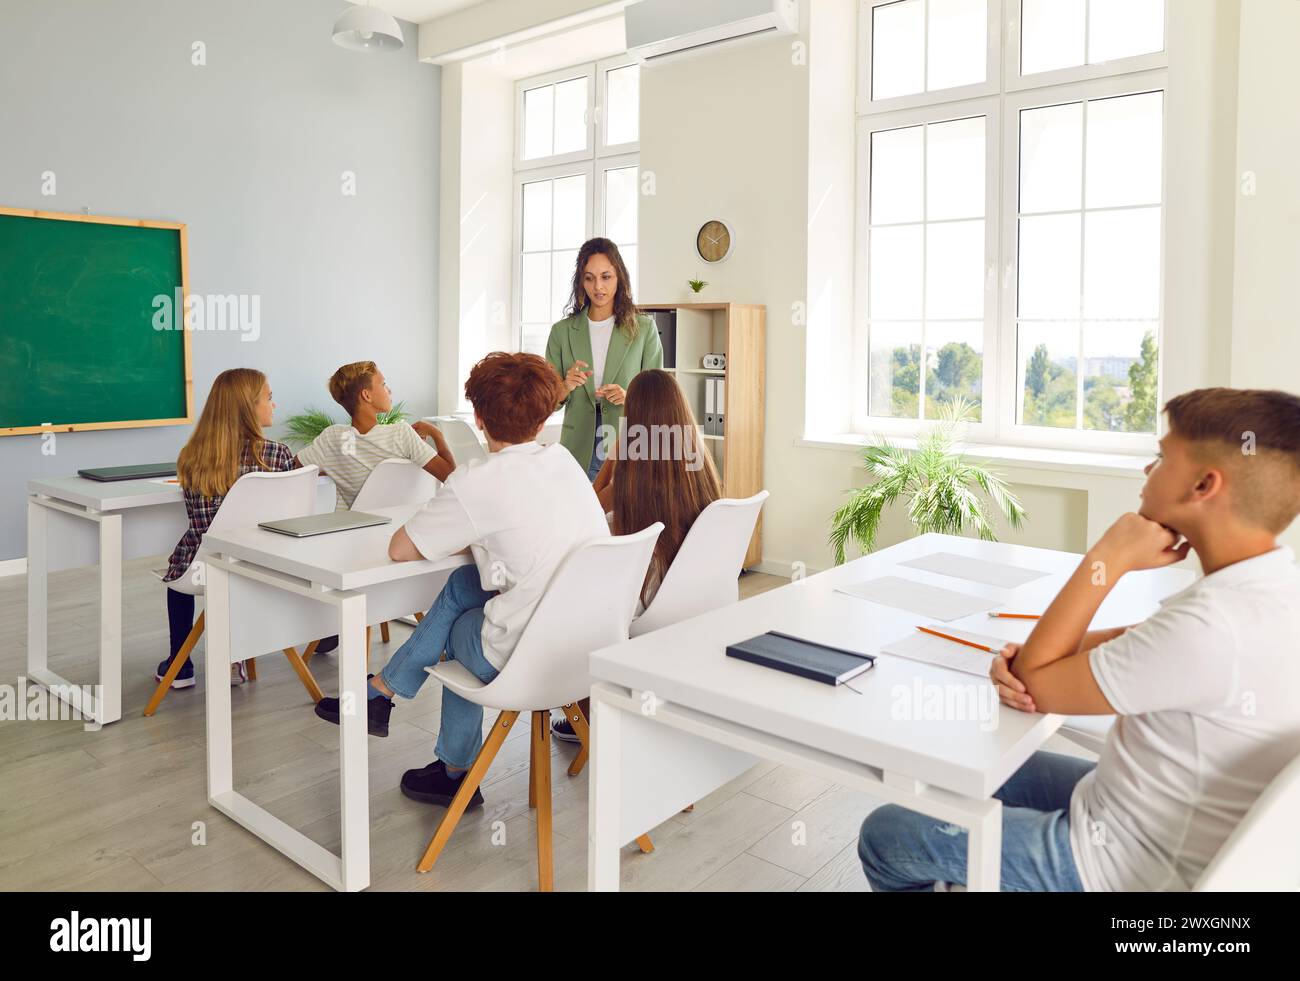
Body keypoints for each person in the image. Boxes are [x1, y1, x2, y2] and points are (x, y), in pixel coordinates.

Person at [858, 387, 1300, 892]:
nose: (1145, 472)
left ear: (1203, 484)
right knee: (956, 771)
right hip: (1142, 812)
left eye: (1160, 459)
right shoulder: (1268, 590)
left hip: (1121, 865)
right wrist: (1042, 659)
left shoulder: (1210, 627)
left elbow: (1033, 685)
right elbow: (1121, 642)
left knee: (886, 836)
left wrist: (1107, 558)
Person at [313, 352, 610, 809]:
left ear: (477, 417)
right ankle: (380, 693)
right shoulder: (565, 461)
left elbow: (399, 549)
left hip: (529, 658)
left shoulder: (479, 479)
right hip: (587, 647)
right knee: (464, 586)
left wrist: (464, 530)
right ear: (543, 414)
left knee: (457, 626)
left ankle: (452, 769)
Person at [553, 368, 722, 742]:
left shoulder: (634, 474)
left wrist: (613, 460)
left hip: (646, 606)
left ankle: (586, 712)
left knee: (571, 605)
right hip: (692, 599)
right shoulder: (699, 463)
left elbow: (590, 509)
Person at [158, 368, 297, 689]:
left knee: (180, 568)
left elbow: (199, 519)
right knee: (237, 565)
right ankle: (234, 655)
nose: (274, 405)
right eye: (269, 398)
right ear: (249, 406)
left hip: (203, 569)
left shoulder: (192, 457)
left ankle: (180, 665)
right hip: (267, 564)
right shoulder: (278, 455)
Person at [545, 238, 663, 482]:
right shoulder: (561, 332)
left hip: (627, 444)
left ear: (619, 277)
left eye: (606, 276)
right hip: (577, 448)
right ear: (581, 282)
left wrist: (630, 395)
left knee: (621, 517)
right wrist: (566, 385)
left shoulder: (644, 329)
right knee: (580, 518)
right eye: (589, 278)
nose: (598, 286)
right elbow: (548, 402)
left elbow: (658, 397)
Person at [295, 361, 454, 510]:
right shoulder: (401, 434)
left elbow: (292, 469)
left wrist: (331, 468)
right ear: (367, 395)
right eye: (383, 384)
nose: (389, 390)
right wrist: (436, 433)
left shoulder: (333, 439)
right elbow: (452, 477)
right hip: (402, 529)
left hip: (354, 532)